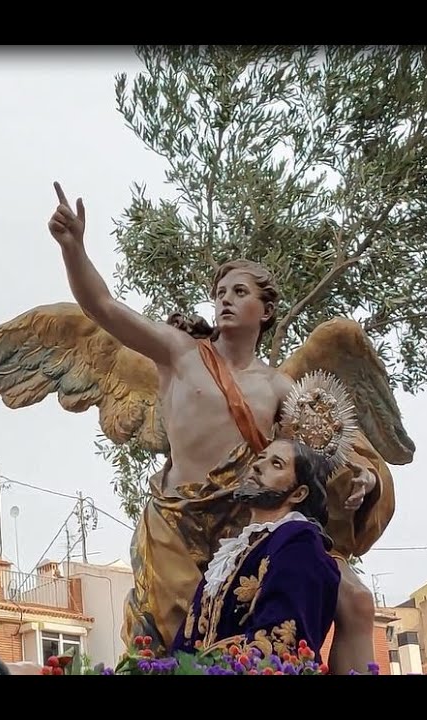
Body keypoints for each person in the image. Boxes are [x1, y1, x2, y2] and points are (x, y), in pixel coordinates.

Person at [47, 182, 392, 674]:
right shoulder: (179, 353)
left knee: (349, 597)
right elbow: (102, 306)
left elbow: (318, 450)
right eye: (219, 293)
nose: (225, 301)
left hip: (243, 523)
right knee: (167, 645)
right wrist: (74, 249)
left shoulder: (278, 387)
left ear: (266, 310)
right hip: (175, 520)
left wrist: (365, 477)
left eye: (239, 292)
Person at [170, 436, 341, 660]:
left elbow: (282, 643)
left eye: (276, 463)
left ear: (298, 493)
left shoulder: (299, 544)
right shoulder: (234, 552)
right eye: (261, 458)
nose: (257, 465)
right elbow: (186, 643)